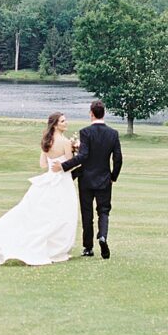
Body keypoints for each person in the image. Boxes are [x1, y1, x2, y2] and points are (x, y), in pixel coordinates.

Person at [0, 112, 78, 266]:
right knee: (63, 214)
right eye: (63, 121)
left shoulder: (47, 141)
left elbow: (43, 165)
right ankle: (55, 250)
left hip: (48, 179)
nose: (66, 123)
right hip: (62, 182)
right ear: (56, 124)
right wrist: (73, 152)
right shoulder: (65, 142)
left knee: (38, 213)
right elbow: (69, 166)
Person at [51, 100, 122, 259]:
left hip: (86, 180)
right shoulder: (113, 133)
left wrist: (63, 166)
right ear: (104, 113)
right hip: (104, 179)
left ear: (91, 113)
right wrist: (113, 177)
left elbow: (83, 156)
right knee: (104, 211)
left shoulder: (86, 132)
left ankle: (88, 248)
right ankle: (102, 236)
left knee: (87, 214)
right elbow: (118, 158)